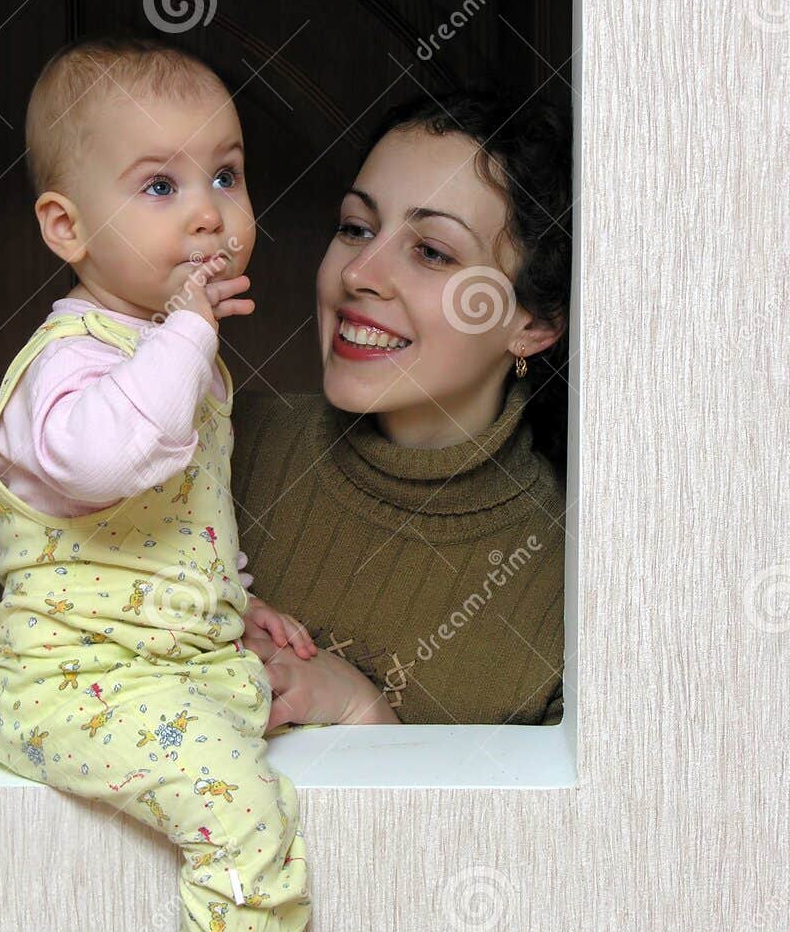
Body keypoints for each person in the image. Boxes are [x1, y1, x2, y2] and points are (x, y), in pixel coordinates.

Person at [0, 35, 347, 932]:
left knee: (307, 706)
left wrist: (235, 609)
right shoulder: (73, 364)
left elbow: (151, 544)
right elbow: (106, 463)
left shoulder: (173, 359)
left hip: (155, 667)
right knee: (238, 804)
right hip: (62, 686)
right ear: (66, 229)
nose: (208, 216)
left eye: (225, 177)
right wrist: (191, 331)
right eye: (160, 186)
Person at [231, 88, 571, 736]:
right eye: (356, 228)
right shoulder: (202, 448)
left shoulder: (571, 583)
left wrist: (367, 719)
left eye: (431, 251)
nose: (359, 271)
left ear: (531, 325)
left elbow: (546, 840)